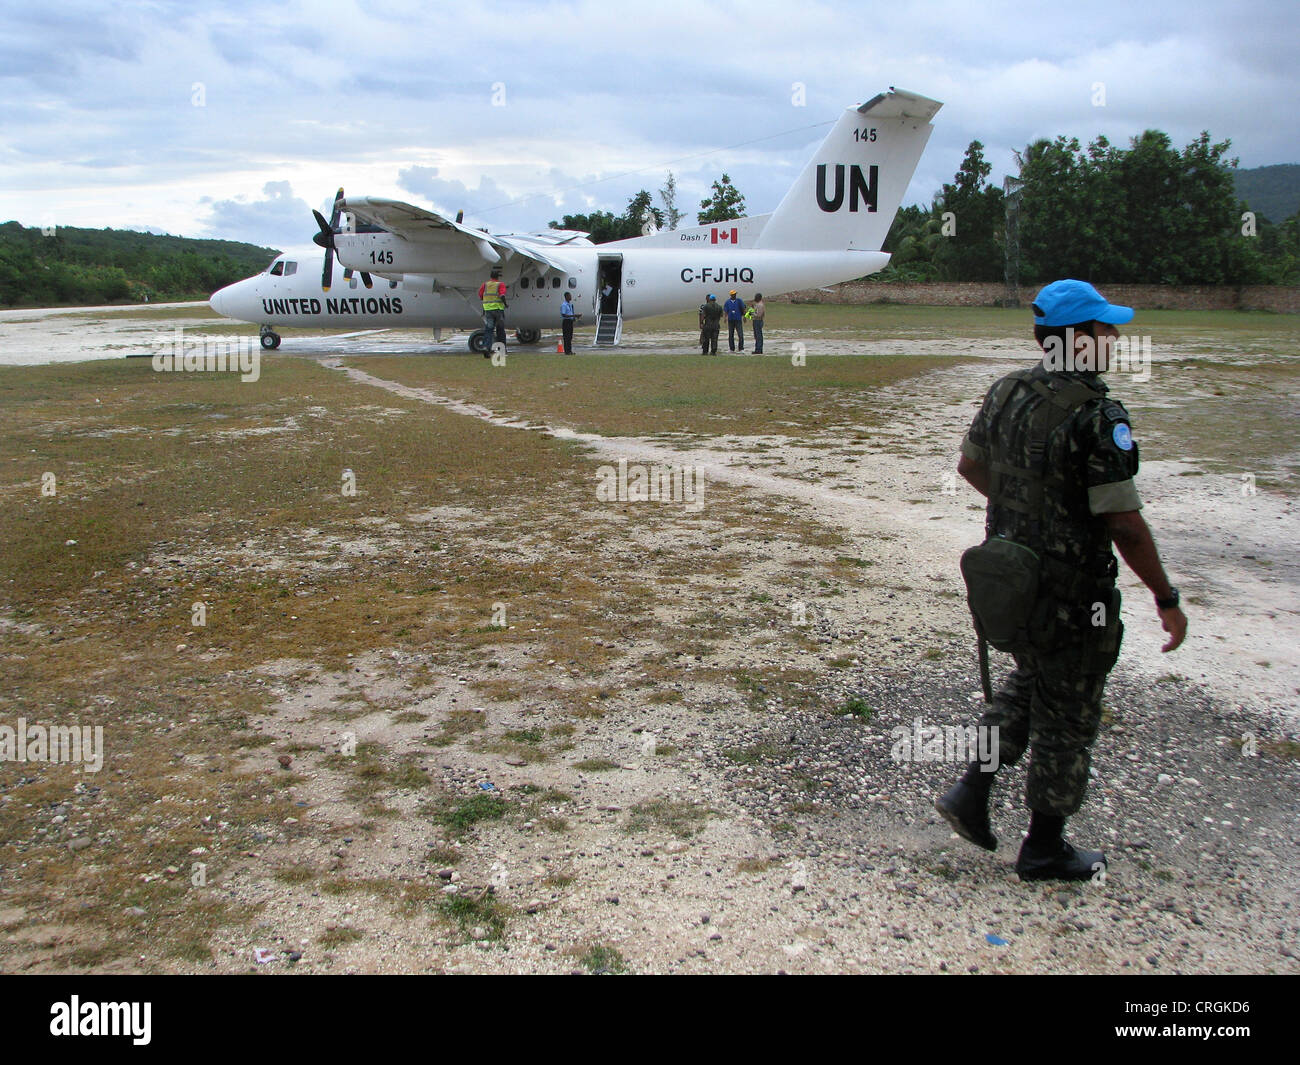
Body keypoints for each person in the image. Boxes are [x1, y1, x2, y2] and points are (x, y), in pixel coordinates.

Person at [935, 279, 1188, 882]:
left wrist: (1028, 515)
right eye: (1104, 330)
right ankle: (1045, 849)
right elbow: (1123, 523)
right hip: (1072, 593)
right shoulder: (1099, 416)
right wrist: (1166, 596)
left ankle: (972, 792)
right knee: (1068, 717)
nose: (1115, 339)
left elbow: (971, 466)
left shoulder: (1006, 392)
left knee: (1028, 683)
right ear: (1076, 342)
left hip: (1014, 579)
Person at [478, 268, 507, 355]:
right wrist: (505, 304)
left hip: (488, 310)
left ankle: (486, 347)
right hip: (498, 310)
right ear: (498, 277)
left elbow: (480, 294)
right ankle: (501, 350)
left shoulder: (485, 285)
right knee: (500, 330)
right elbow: (502, 295)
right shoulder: (500, 285)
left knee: (489, 329)